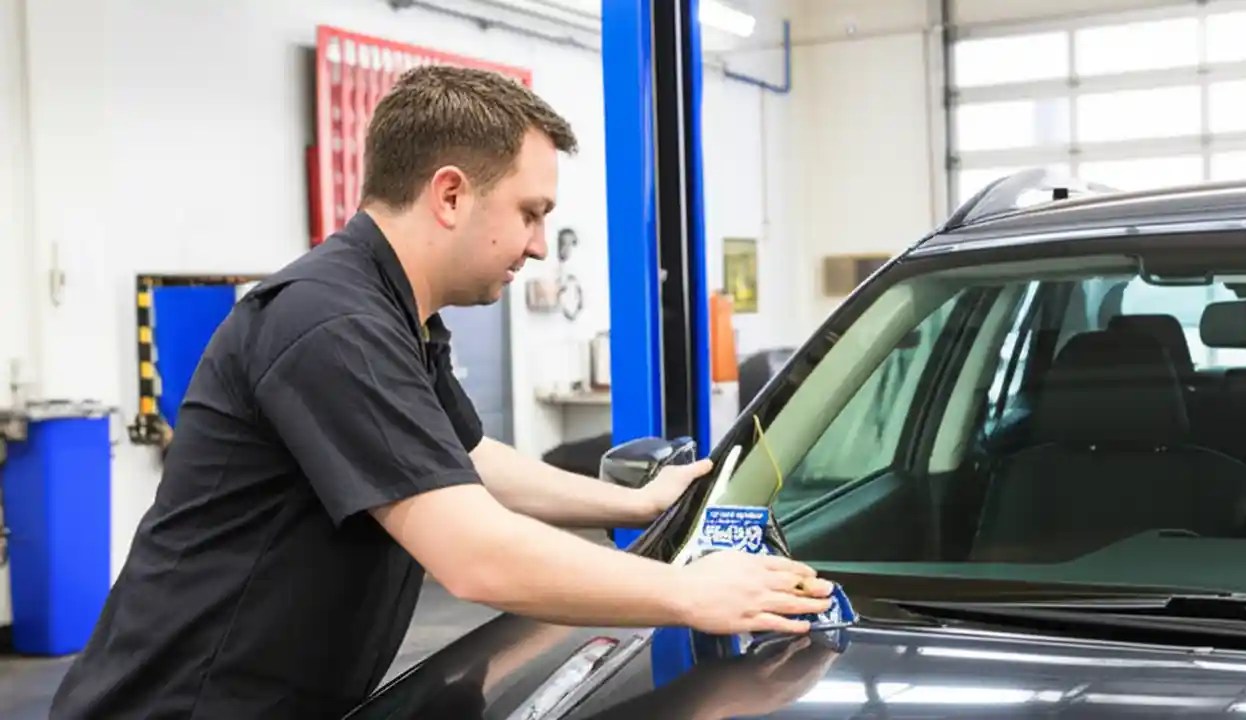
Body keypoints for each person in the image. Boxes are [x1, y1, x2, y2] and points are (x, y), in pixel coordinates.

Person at [50, 65, 833, 719]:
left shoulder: (396, 314)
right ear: (451, 194)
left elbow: (464, 457)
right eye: (531, 213)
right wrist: (688, 594)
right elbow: (475, 557)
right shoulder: (331, 324)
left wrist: (627, 505)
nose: (535, 244)